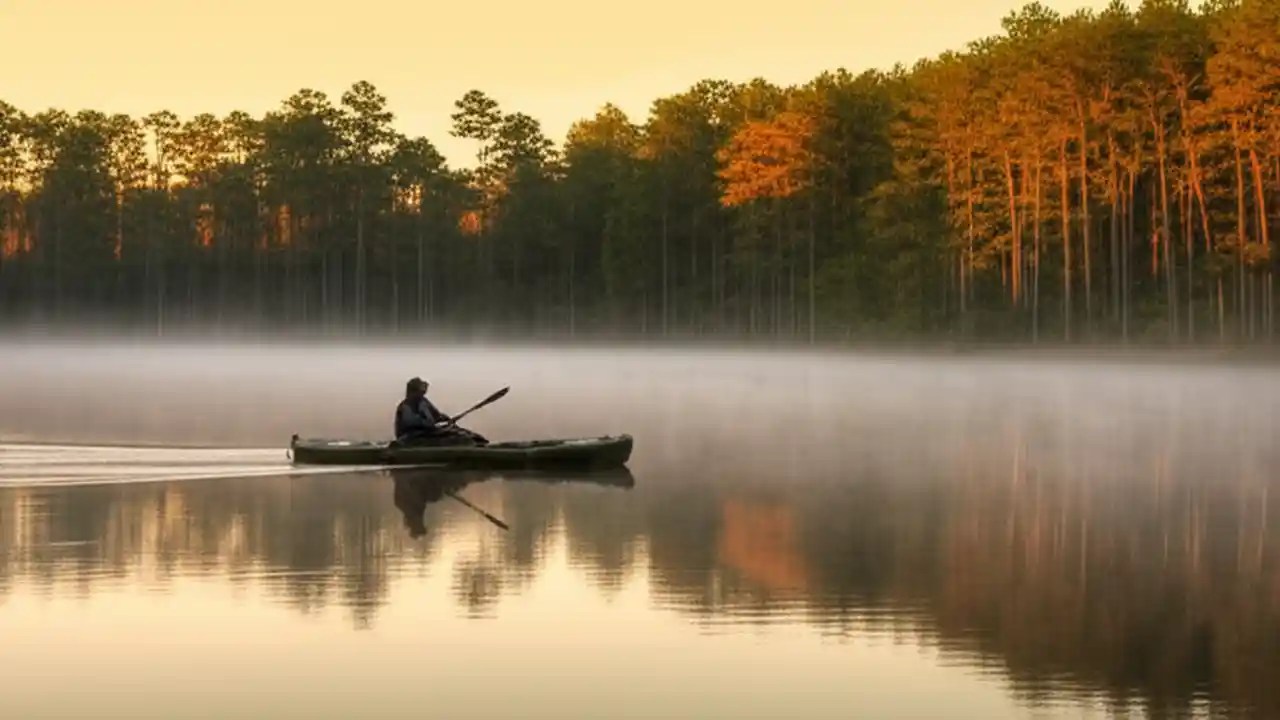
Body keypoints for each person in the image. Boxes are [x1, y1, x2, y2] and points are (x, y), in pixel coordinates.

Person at [393, 377, 488, 446]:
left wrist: (447, 419)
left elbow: (437, 416)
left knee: (463, 432)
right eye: (420, 390)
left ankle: (480, 443)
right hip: (411, 438)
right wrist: (433, 423)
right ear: (412, 391)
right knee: (457, 438)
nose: (422, 393)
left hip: (428, 433)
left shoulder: (424, 402)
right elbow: (413, 423)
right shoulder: (406, 406)